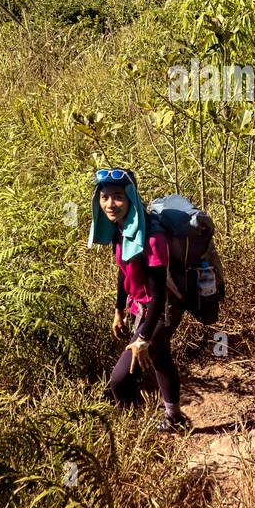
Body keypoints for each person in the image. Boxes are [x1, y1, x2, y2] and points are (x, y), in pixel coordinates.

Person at [88, 167, 192, 432]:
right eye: (105, 197)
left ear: (132, 198)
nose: (111, 204)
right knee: (161, 357)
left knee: (120, 379)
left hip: (163, 308)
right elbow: (124, 272)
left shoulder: (152, 237)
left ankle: (131, 429)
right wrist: (119, 310)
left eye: (119, 197)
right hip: (141, 307)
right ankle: (175, 418)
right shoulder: (121, 230)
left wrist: (143, 337)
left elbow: (158, 295)